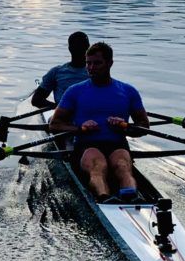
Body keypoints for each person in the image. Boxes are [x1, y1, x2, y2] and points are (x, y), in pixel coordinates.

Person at [48, 41, 149, 203]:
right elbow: (54, 125)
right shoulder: (75, 91)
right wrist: (80, 128)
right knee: (97, 166)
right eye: (88, 63)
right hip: (87, 145)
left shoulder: (128, 91)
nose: (91, 68)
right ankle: (104, 198)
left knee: (122, 166)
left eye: (97, 63)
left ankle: (132, 196)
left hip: (117, 144)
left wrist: (125, 126)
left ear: (110, 63)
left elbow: (144, 126)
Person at [31, 31, 92, 109]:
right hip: (64, 117)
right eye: (76, 46)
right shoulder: (56, 72)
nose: (79, 49)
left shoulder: (95, 71)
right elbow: (36, 100)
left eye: (81, 46)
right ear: (70, 48)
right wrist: (60, 109)